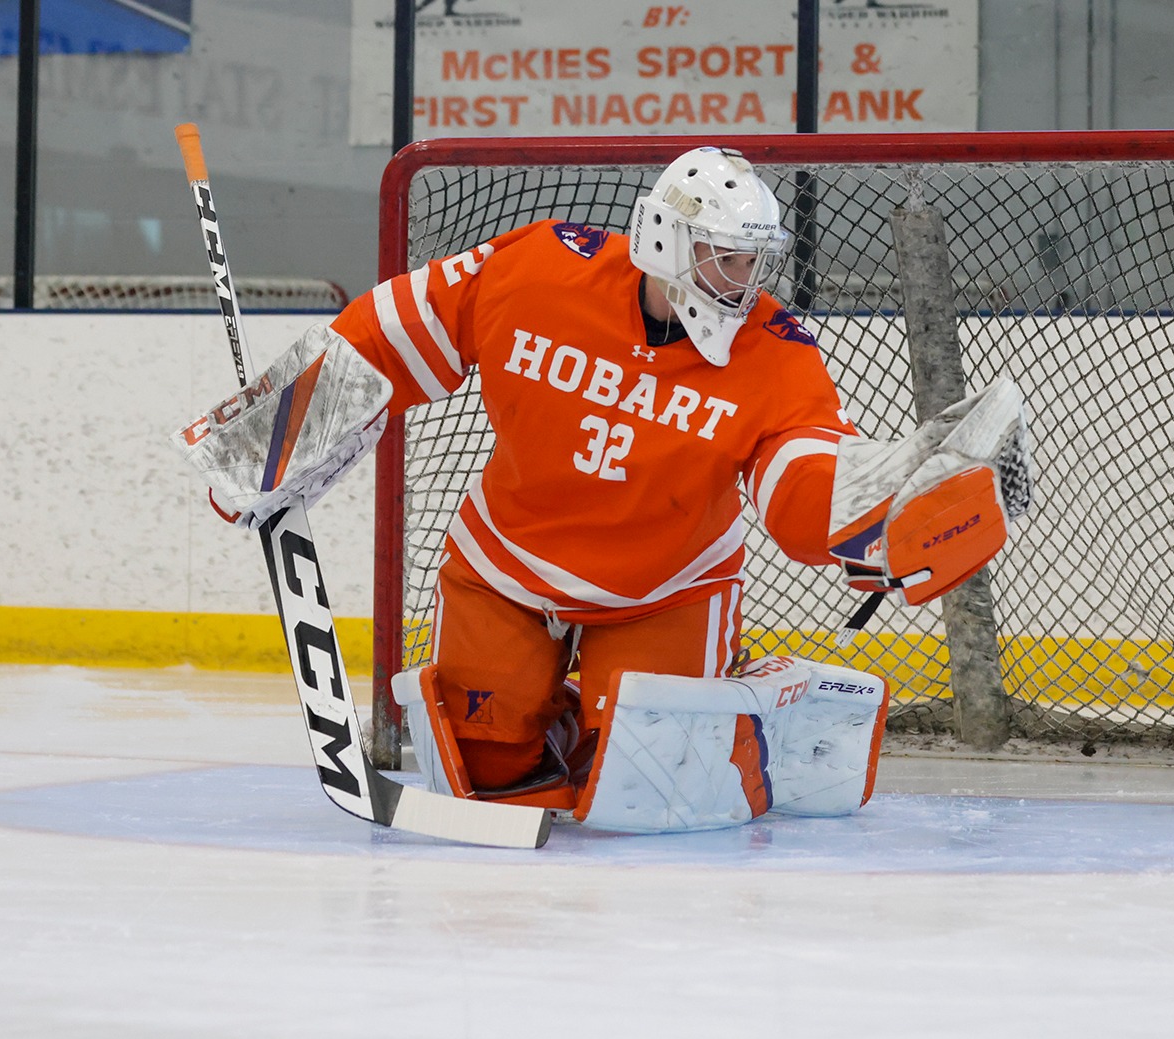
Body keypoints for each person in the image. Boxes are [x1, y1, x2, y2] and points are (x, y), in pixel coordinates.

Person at [325, 147, 857, 807]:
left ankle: (727, 717)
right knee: (483, 766)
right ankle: (572, 720)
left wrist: (860, 516)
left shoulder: (775, 349)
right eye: (727, 256)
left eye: (755, 260)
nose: (746, 280)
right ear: (667, 239)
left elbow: (805, 465)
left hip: (670, 585)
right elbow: (406, 321)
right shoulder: (542, 269)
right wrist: (276, 433)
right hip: (509, 565)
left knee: (658, 788)